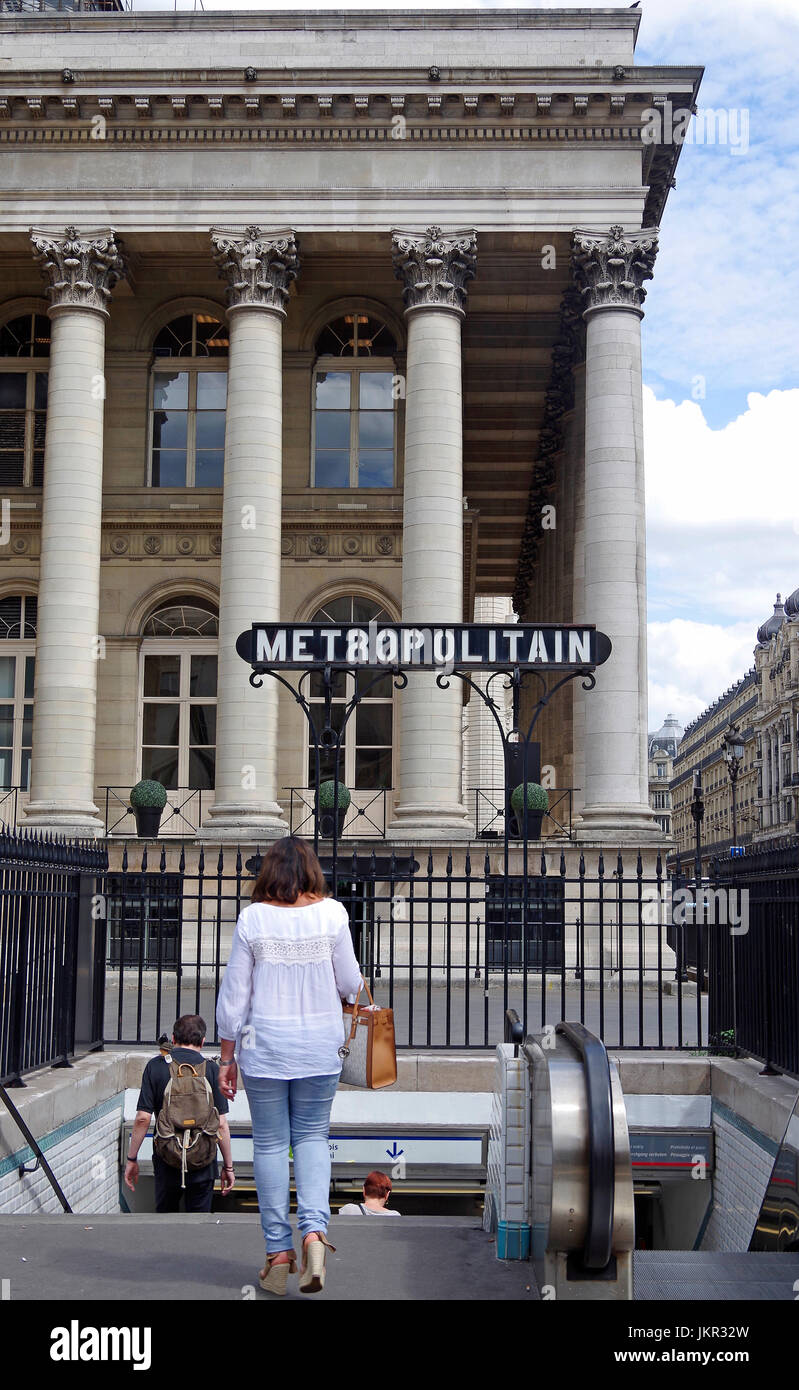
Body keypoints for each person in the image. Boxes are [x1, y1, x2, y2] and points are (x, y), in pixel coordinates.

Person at [215, 836, 362, 1295]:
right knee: (313, 1137)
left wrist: (226, 1057)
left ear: (269, 873)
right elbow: (353, 985)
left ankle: (278, 1252)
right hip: (320, 1047)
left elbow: (234, 996)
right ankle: (315, 1235)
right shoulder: (334, 914)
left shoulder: (252, 918)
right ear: (312, 872)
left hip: (264, 1048)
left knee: (272, 1145)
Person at [124, 1014, 235, 1211]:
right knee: (199, 1222)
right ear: (202, 1041)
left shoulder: (156, 1067)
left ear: (173, 1040)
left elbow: (143, 1118)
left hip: (167, 1159)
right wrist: (228, 1167)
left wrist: (132, 1159)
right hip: (203, 1161)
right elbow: (221, 1124)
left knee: (166, 1221)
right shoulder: (211, 1069)